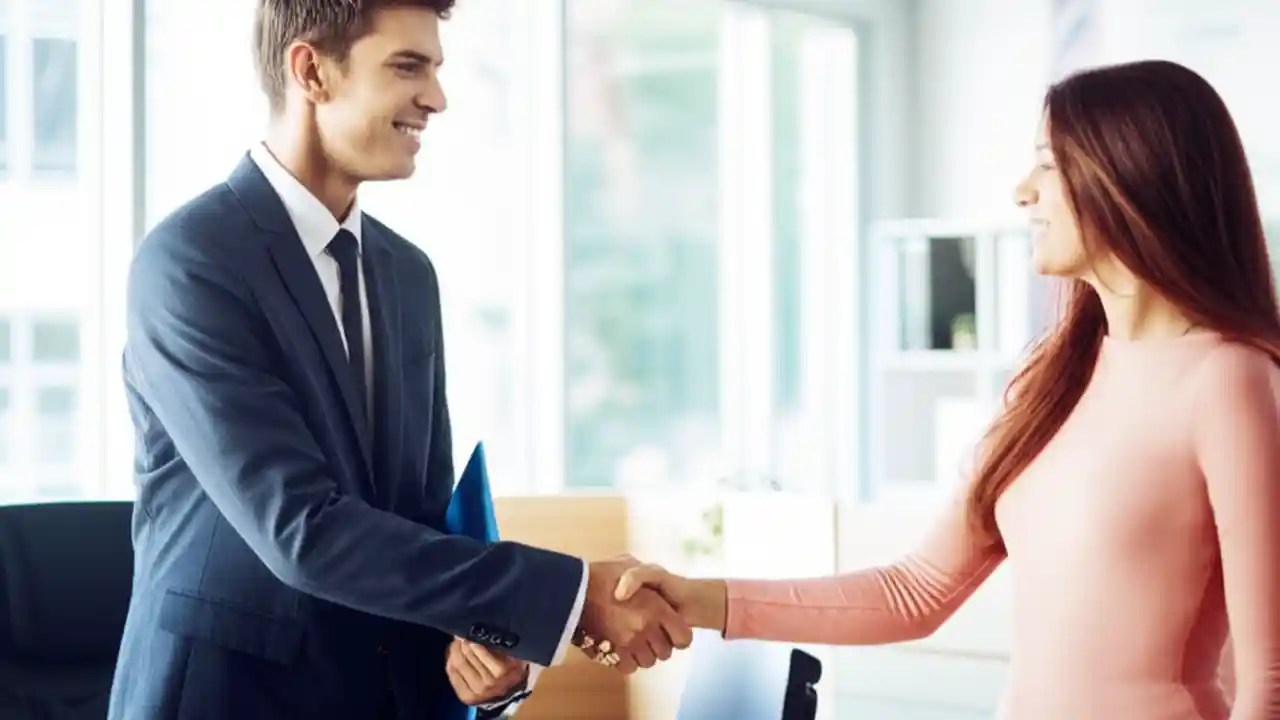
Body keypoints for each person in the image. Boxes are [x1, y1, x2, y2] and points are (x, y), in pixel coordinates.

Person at [615, 59, 1280, 720]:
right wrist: (695, 599)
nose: (1024, 192)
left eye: (1048, 164)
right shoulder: (1048, 380)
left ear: (1129, 173)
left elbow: (1270, 682)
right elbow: (915, 590)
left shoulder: (1230, 382)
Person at [108, 2, 689, 718]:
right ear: (311, 70)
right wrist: (570, 597)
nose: (436, 99)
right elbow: (304, 530)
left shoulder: (407, 275)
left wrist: (487, 652)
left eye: (436, 70)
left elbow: (417, 525)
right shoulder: (191, 263)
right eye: (408, 67)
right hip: (226, 700)